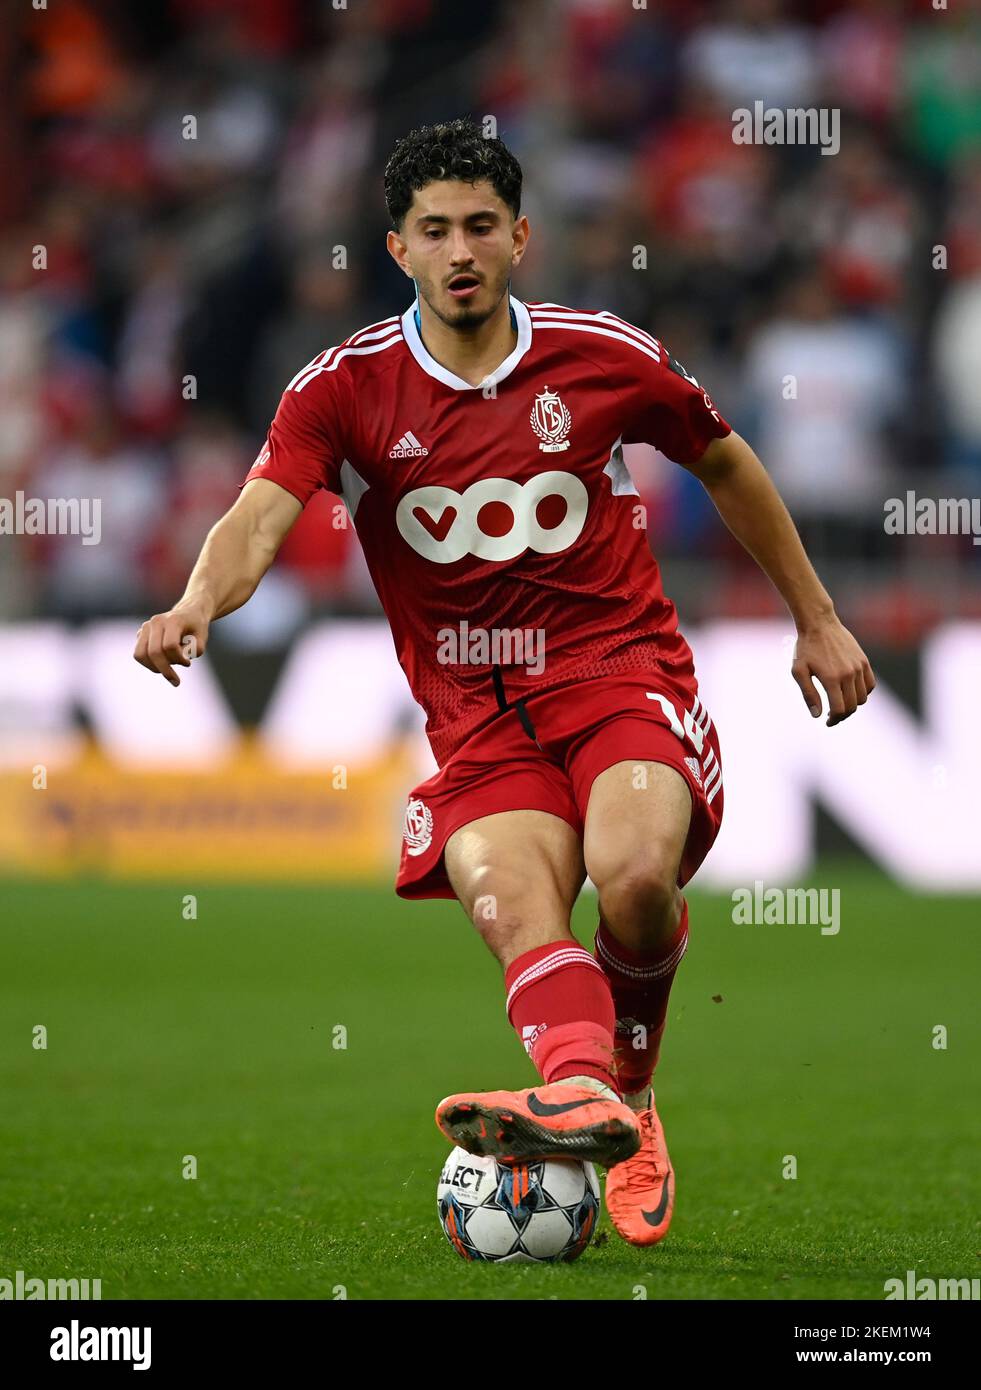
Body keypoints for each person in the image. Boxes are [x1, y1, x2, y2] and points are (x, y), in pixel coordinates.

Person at [134, 118, 875, 1248]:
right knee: (519, 904)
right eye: (435, 230)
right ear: (400, 249)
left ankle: (620, 1088)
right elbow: (259, 516)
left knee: (632, 882)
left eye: (481, 224)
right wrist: (194, 602)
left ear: (520, 236)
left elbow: (722, 456)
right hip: (475, 719)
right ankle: (593, 1096)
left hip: (617, 672)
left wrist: (817, 617)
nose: (461, 248)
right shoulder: (342, 391)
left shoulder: (603, 352)